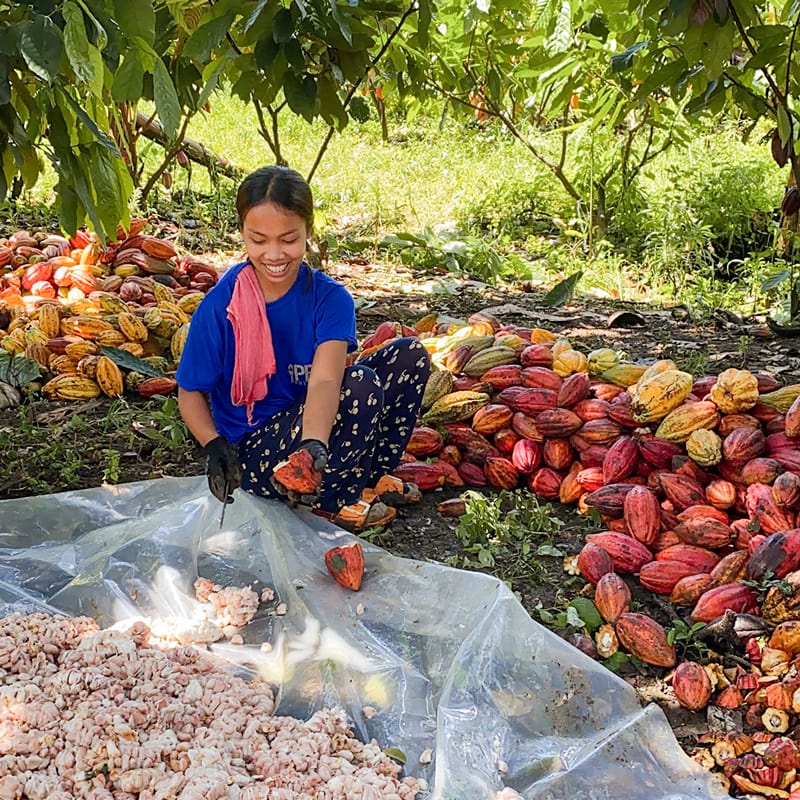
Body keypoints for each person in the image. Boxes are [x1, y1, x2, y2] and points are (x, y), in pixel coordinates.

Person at [176, 165, 431, 530]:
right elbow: (190, 392)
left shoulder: (329, 298)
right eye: (258, 240)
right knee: (360, 385)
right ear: (243, 234)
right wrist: (212, 445)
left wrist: (313, 447)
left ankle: (363, 481)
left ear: (308, 231)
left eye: (289, 239)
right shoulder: (223, 305)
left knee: (408, 357)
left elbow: (327, 381)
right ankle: (332, 504)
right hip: (256, 453)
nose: (274, 254)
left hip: (313, 433)